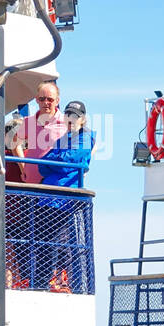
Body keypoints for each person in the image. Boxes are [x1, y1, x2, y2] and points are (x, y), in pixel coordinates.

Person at [38, 99, 95, 293]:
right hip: (48, 198)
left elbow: (70, 160)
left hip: (64, 199)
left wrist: (54, 161)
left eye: (75, 116)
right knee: (45, 242)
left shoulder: (85, 137)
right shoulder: (64, 139)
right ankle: (44, 281)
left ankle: (61, 281)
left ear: (82, 119)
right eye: (68, 115)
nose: (70, 119)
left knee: (60, 242)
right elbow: (42, 165)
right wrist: (56, 161)